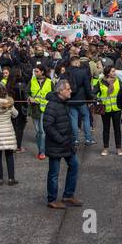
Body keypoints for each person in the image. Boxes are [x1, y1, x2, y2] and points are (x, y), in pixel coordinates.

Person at [42, 80, 82, 209]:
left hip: (66, 144)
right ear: (60, 91)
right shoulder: (52, 105)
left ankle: (68, 195)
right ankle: (52, 199)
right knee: (54, 172)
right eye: (68, 89)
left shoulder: (63, 103)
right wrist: (60, 139)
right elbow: (47, 125)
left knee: (74, 165)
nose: (71, 91)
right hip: (57, 145)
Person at [97, 67, 122, 156]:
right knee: (106, 129)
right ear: (108, 73)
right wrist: (97, 99)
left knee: (117, 129)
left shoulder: (118, 81)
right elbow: (93, 92)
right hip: (105, 109)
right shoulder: (100, 82)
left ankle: (119, 148)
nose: (114, 72)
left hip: (116, 109)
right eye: (113, 71)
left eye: (114, 70)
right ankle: (105, 149)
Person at [29, 64, 52, 161]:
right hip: (35, 110)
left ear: (42, 72)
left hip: (45, 110)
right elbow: (27, 92)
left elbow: (53, 94)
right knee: (38, 132)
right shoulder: (32, 81)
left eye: (37, 71)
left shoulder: (50, 82)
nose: (35, 73)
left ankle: (42, 152)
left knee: (42, 132)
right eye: (35, 71)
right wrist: (29, 98)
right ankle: (40, 150)